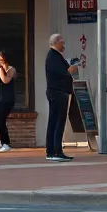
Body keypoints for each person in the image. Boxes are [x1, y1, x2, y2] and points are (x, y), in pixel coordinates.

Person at [44, 34, 78, 162]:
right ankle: (55, 150)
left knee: (55, 121)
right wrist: (72, 69)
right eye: (62, 43)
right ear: (56, 42)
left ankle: (53, 150)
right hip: (57, 93)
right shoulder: (53, 57)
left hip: (59, 92)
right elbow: (63, 73)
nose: (64, 45)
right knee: (58, 121)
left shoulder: (56, 57)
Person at [0, 51, 18, 152]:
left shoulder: (11, 69)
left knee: (2, 119)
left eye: (1, 60)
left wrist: (1, 70)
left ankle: (6, 143)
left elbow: (5, 80)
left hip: (7, 99)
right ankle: (2, 142)